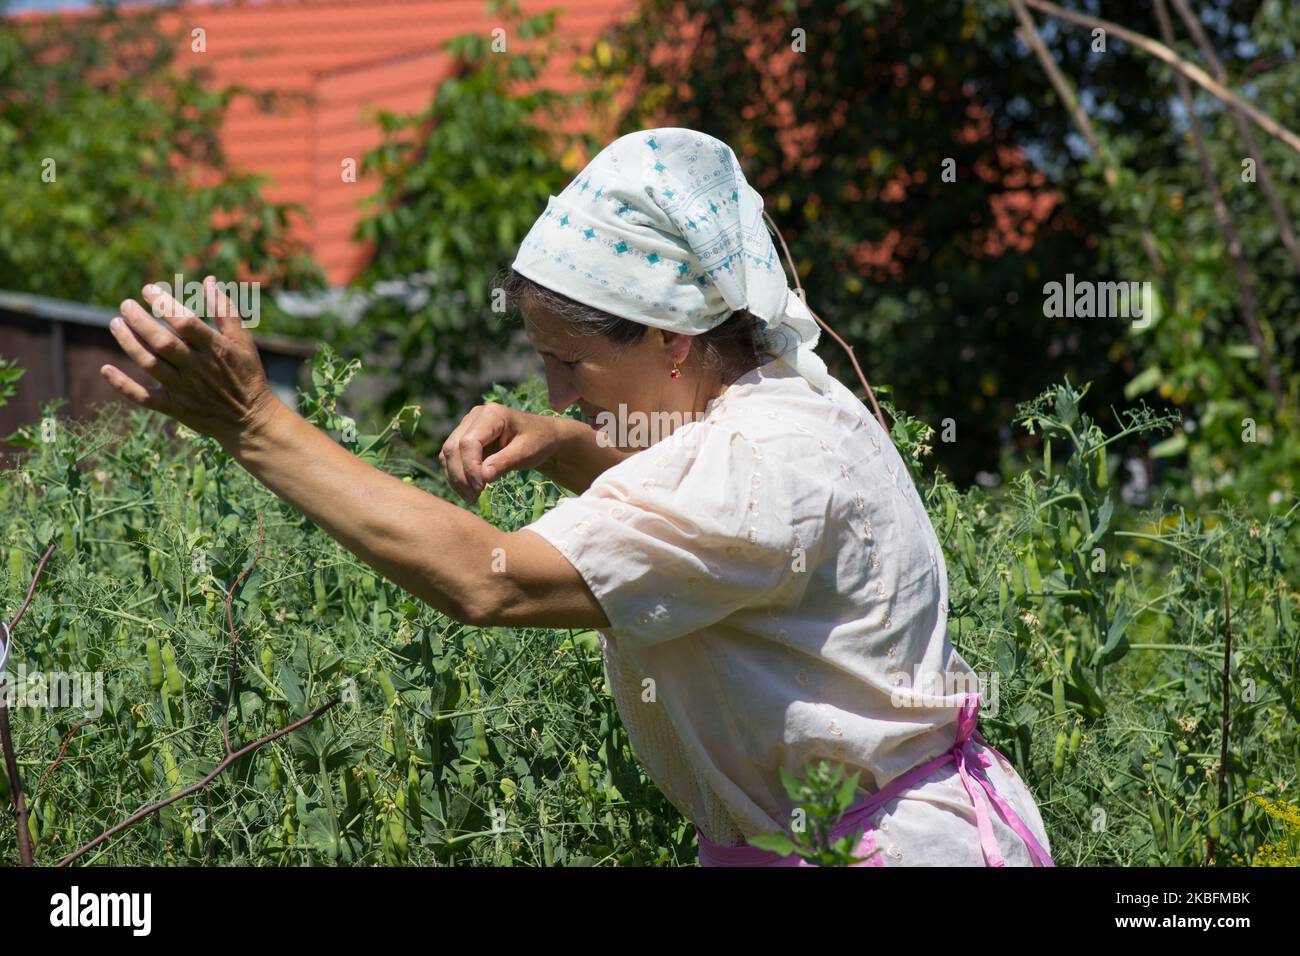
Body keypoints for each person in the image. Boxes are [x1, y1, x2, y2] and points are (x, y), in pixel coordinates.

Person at [100, 126, 1052, 867]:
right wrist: (570, 446)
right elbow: (717, 541)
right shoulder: (781, 400)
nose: (553, 390)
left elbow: (492, 581)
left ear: (671, 338)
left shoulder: (764, 462)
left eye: (569, 362)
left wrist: (256, 423)